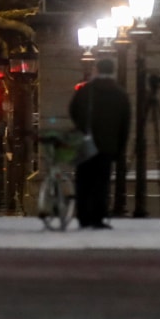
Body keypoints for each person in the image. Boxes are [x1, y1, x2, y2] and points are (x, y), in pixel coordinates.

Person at [68, 57, 131, 229]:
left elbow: (73, 110)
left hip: (86, 142)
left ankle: (83, 216)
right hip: (107, 145)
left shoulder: (85, 91)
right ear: (113, 71)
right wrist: (120, 148)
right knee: (101, 182)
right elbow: (125, 124)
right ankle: (98, 216)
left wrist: (82, 127)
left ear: (96, 69)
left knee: (83, 180)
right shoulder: (120, 94)